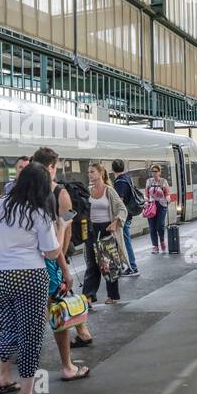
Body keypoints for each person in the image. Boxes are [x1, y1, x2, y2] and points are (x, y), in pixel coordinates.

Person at [0, 163, 63, 394]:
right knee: (30, 337)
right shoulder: (38, 212)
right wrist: (61, 230)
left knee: (10, 332)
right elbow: (52, 252)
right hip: (29, 276)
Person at [31, 147, 93, 378]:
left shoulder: (61, 194)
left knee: (57, 309)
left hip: (53, 258)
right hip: (38, 261)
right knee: (47, 310)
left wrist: (62, 260)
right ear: (50, 167)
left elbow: (64, 231)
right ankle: (75, 346)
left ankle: (68, 361)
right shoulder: (33, 192)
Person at [84, 162, 128, 306]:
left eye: (92, 172)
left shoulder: (109, 191)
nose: (89, 175)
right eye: (89, 172)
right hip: (92, 230)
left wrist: (116, 222)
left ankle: (113, 295)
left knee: (108, 264)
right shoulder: (88, 191)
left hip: (106, 229)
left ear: (100, 173)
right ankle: (88, 297)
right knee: (92, 264)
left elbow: (122, 209)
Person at [110, 158, 141, 276]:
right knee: (121, 241)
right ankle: (122, 264)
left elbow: (120, 201)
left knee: (125, 241)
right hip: (127, 215)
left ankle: (133, 267)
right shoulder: (127, 178)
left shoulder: (120, 182)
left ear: (113, 169)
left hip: (123, 217)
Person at [144, 163, 171, 253]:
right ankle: (155, 246)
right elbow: (146, 194)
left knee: (160, 225)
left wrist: (167, 199)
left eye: (156, 171)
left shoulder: (164, 181)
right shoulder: (149, 181)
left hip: (162, 205)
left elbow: (167, 194)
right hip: (151, 205)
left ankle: (162, 240)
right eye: (153, 171)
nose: (154, 173)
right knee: (152, 227)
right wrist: (146, 201)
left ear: (159, 172)